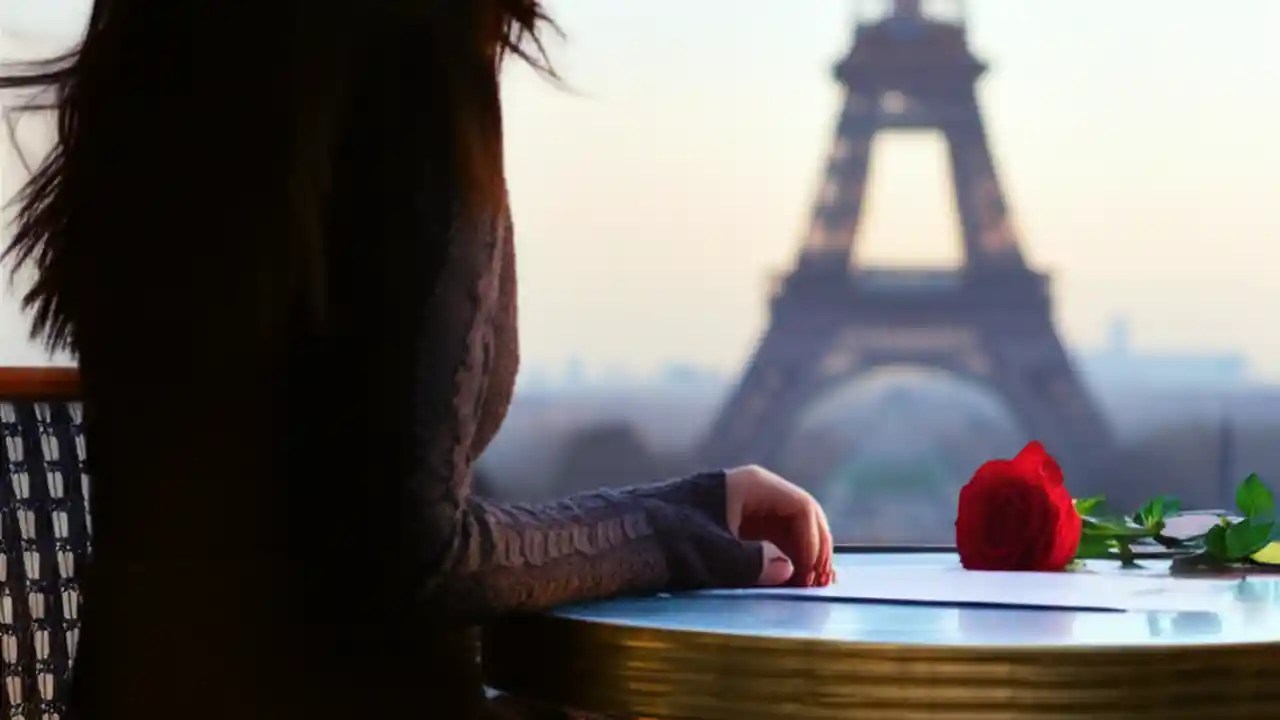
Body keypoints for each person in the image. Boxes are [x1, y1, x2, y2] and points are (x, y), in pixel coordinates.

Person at [2, 1, 832, 718]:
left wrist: (688, 509)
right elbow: (416, 556)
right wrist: (674, 530)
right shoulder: (415, 65)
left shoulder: (164, 51)